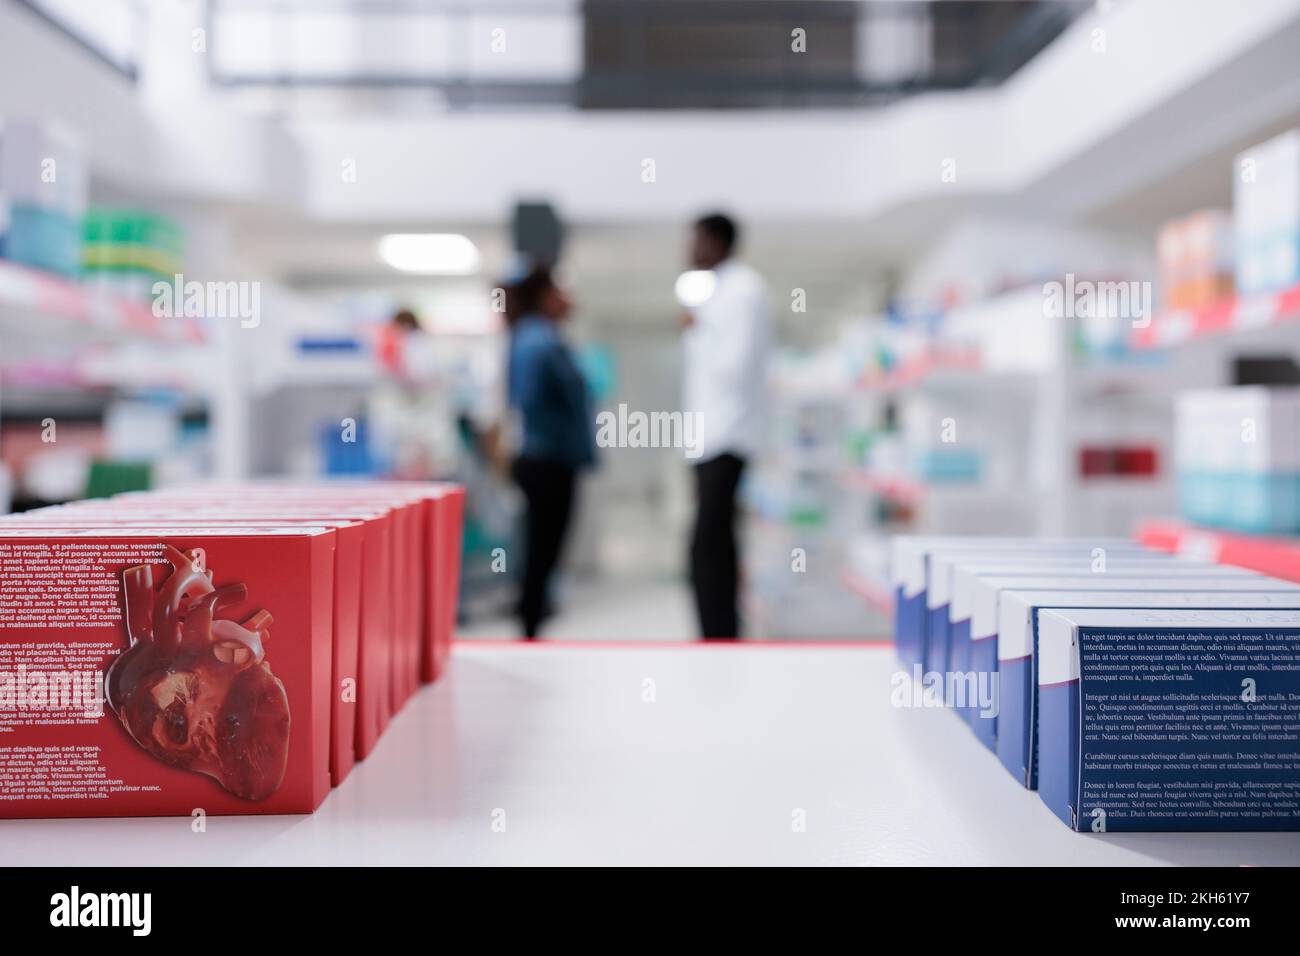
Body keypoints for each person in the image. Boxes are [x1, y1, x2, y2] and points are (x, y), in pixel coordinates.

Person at [681, 213, 771, 640]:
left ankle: (718, 636)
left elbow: (736, 366)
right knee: (716, 544)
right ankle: (719, 633)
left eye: (696, 239)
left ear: (718, 240)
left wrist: (699, 331)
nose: (690, 249)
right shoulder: (719, 293)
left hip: (727, 437)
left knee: (706, 546)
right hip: (710, 438)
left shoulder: (743, 290)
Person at [505, 266, 595, 638]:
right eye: (560, 290)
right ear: (544, 296)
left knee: (544, 551)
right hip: (546, 462)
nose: (568, 298)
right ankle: (529, 629)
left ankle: (533, 625)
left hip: (551, 459)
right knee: (541, 551)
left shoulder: (540, 339)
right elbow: (527, 401)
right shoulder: (536, 341)